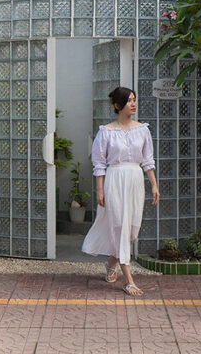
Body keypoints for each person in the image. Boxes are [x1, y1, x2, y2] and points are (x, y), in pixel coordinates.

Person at [81, 86, 159, 295]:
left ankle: (110, 263)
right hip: (114, 180)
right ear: (117, 105)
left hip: (135, 180)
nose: (133, 104)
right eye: (129, 101)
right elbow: (99, 163)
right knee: (119, 228)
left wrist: (153, 184)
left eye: (134, 99)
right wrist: (100, 190)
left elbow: (148, 160)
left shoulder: (142, 130)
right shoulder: (106, 132)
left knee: (131, 231)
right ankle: (129, 281)